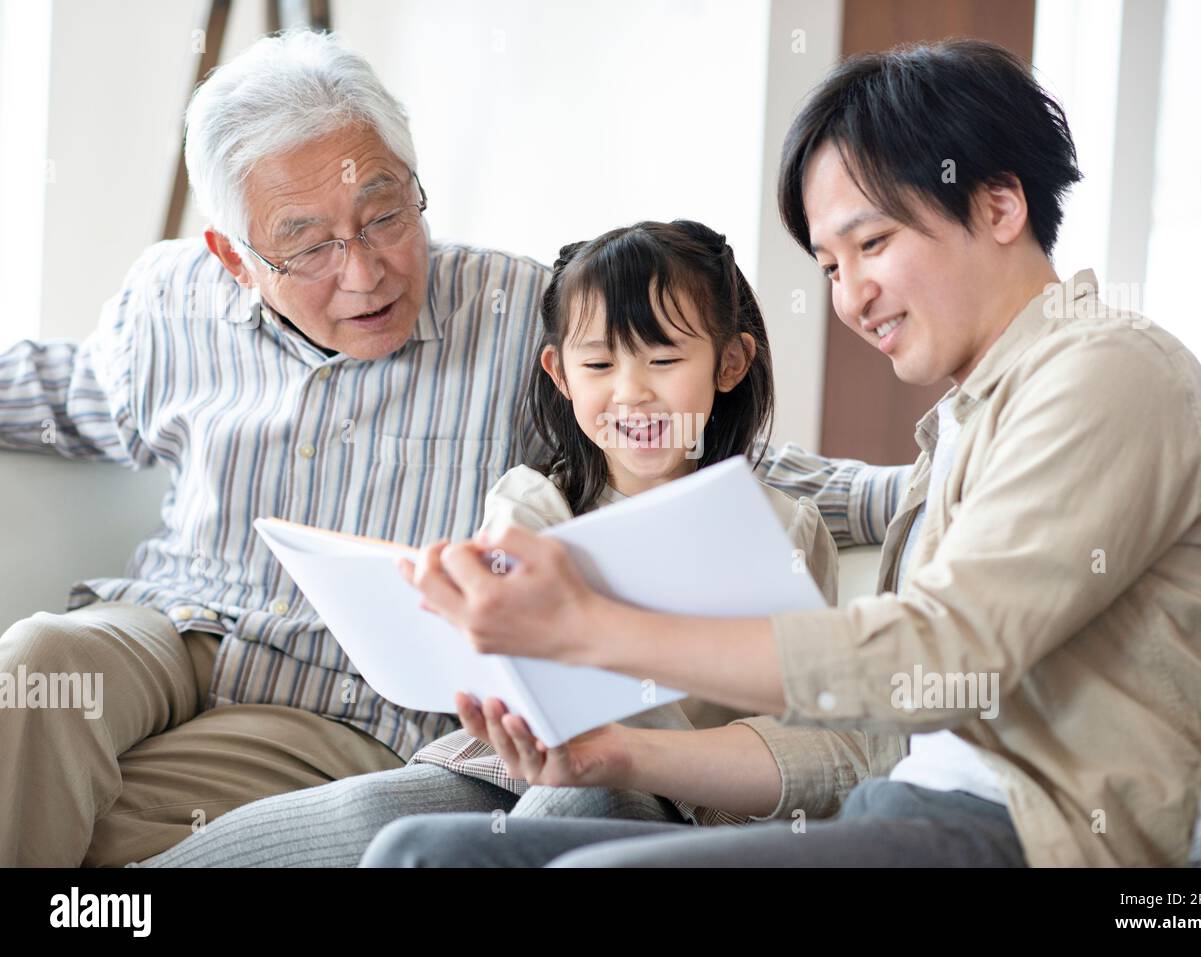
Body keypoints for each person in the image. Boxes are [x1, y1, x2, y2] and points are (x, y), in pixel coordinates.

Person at [0, 30, 904, 867]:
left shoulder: (521, 313)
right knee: (33, 665)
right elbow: (64, 392)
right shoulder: (170, 301)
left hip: (341, 698)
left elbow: (675, 448)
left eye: (384, 216)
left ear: (414, 179)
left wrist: (947, 484)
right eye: (306, 246)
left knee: (93, 832)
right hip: (175, 625)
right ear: (233, 257)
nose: (363, 271)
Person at [364, 38, 1201, 868]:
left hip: (1047, 843)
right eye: (831, 267)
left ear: (1000, 204)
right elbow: (870, 736)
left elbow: (940, 653)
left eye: (871, 242)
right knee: (426, 852)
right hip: (897, 809)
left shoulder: (1108, 371)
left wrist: (587, 626)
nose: (850, 297)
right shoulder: (960, 427)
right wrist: (615, 753)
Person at [139, 220, 904, 868]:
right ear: (560, 375)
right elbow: (500, 634)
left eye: (664, 360)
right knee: (377, 810)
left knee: (578, 797)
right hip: (497, 763)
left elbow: (812, 727)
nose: (631, 391)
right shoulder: (533, 499)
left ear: (729, 363)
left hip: (669, 799)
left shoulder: (781, 526)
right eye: (599, 363)